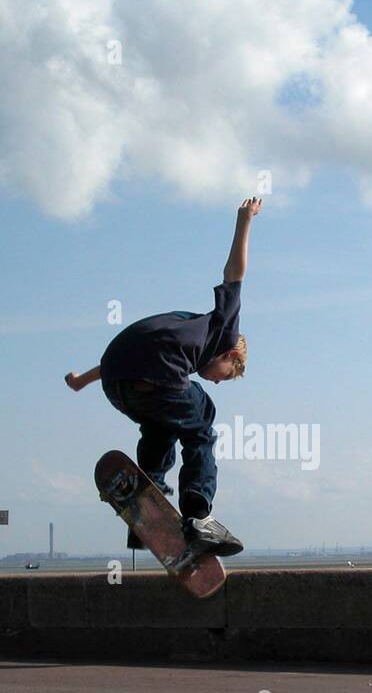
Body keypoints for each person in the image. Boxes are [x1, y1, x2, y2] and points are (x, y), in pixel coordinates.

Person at [65, 197, 262, 556]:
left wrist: (82, 381)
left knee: (162, 426)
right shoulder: (224, 330)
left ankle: (147, 507)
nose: (217, 380)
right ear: (231, 355)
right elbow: (234, 274)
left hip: (118, 383)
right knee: (201, 420)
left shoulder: (183, 322)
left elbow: (129, 359)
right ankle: (199, 514)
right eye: (226, 375)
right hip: (157, 377)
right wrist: (243, 220)